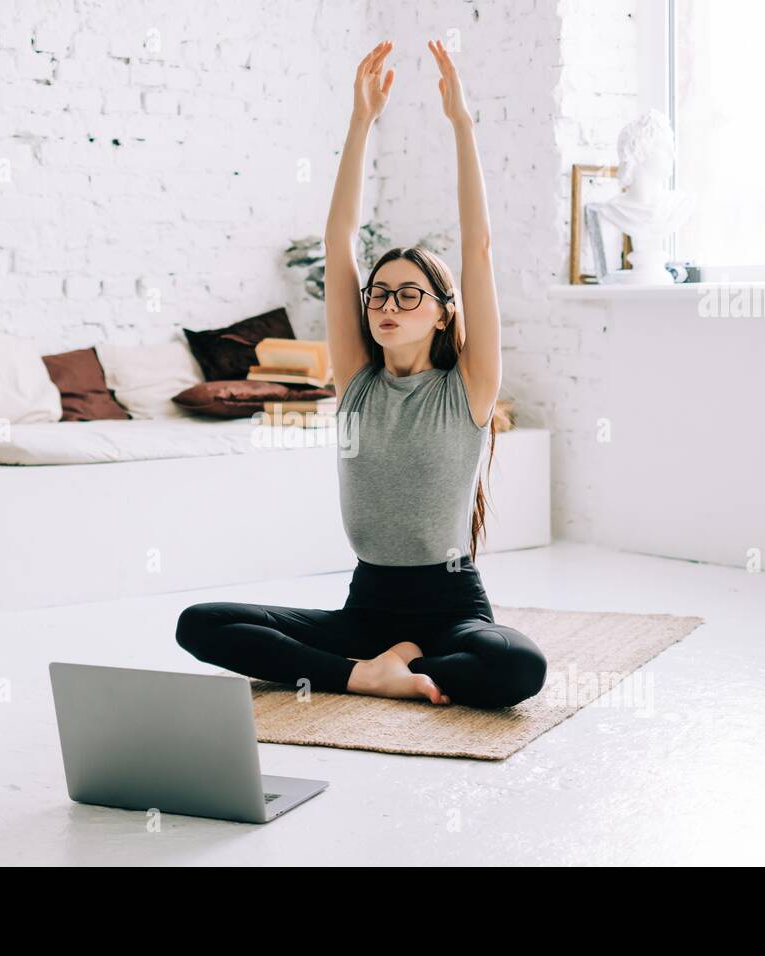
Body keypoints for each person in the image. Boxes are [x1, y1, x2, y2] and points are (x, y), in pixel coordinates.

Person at [176, 39, 547, 709]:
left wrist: (462, 124)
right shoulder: (356, 384)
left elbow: (479, 245)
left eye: (410, 294)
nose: (387, 305)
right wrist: (360, 120)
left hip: (449, 608)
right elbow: (339, 241)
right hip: (366, 608)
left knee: (518, 669)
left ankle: (371, 670)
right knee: (198, 625)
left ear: (442, 313)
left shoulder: (467, 388)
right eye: (379, 293)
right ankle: (370, 674)